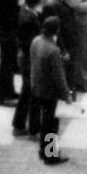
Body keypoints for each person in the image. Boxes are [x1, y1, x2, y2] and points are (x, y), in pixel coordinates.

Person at [30, 15, 72, 164]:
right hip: (50, 92)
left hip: (38, 87)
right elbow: (59, 77)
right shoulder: (53, 51)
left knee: (44, 120)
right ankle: (50, 154)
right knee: (51, 124)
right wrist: (66, 95)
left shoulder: (36, 41)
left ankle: (44, 150)